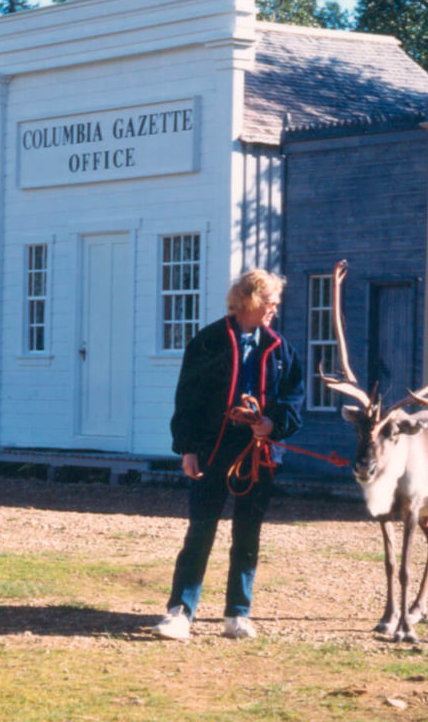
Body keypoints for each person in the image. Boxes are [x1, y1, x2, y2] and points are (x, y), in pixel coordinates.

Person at [154, 269, 303, 641]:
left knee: (248, 534)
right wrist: (187, 448)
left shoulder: (281, 349)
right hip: (212, 452)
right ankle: (180, 612)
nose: (275, 309)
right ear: (251, 301)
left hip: (259, 456)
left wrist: (273, 423)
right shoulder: (208, 341)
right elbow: (187, 398)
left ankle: (238, 614)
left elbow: (293, 399)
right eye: (271, 302)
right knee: (200, 531)